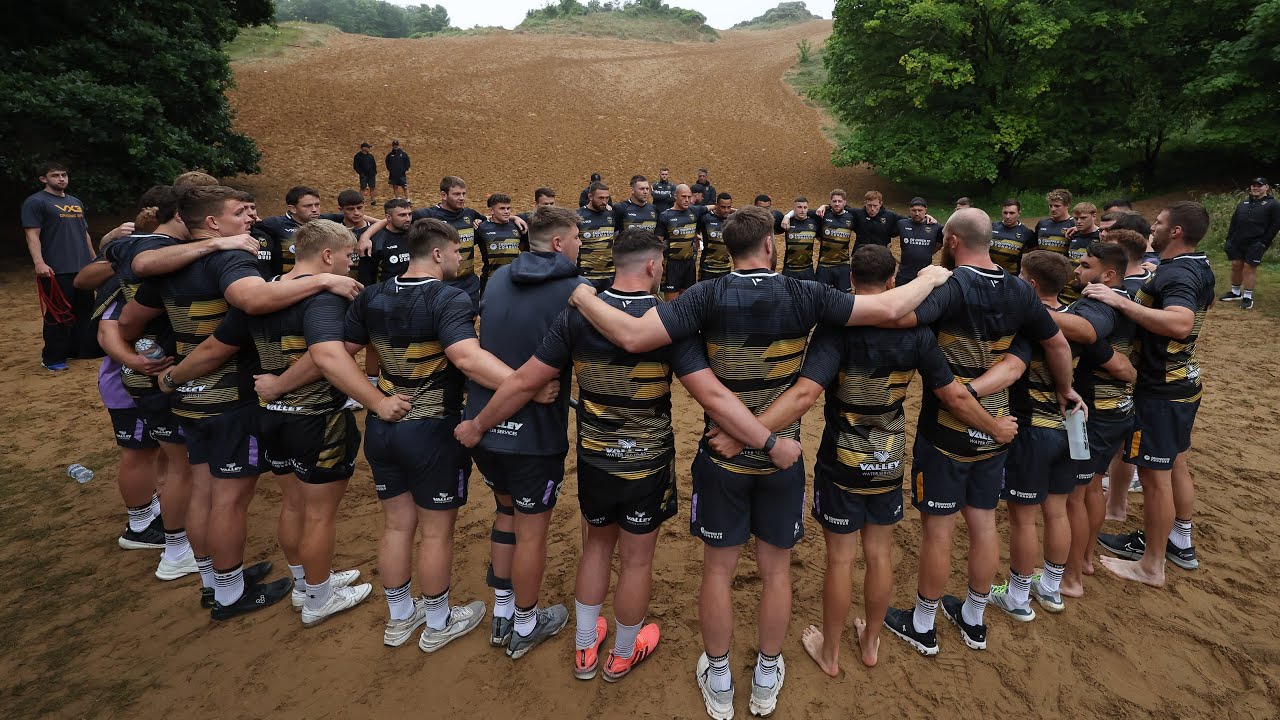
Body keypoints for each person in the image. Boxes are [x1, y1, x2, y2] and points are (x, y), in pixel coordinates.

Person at [565, 206, 952, 720]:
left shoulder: (704, 295)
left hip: (721, 456)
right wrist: (928, 274)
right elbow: (884, 310)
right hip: (782, 457)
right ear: (770, 244)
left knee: (718, 571)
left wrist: (583, 293)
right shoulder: (804, 292)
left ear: (726, 249)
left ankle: (719, 673)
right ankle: (768, 670)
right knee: (776, 573)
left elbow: (633, 336)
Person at [458, 229, 789, 683]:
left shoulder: (577, 315)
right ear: (654, 267)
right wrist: (761, 437)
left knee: (596, 546)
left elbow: (521, 382)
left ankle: (583, 652)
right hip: (647, 463)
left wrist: (478, 425)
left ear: (615, 261)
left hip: (596, 459)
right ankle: (622, 653)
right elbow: (710, 394)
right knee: (635, 561)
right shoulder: (667, 321)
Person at [705, 244, 1016, 676]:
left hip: (842, 462)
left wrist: (747, 435)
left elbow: (804, 394)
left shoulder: (837, 332)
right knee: (880, 555)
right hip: (888, 460)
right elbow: (953, 394)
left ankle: (830, 652)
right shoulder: (919, 334)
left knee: (840, 561)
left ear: (851, 282)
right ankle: (870, 642)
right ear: (892, 282)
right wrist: (993, 425)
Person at [118, 186, 362, 620]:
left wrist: (167, 373)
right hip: (234, 397)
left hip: (190, 398)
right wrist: (323, 281)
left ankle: (218, 581)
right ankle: (234, 593)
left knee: (200, 487)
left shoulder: (172, 262)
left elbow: (132, 320)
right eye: (241, 213)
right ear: (213, 223)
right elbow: (247, 310)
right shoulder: (230, 260)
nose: (251, 219)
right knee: (230, 497)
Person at [311, 218, 528, 650]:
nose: (459, 259)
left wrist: (371, 401)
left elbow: (331, 354)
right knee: (435, 532)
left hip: (383, 427)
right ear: (436, 253)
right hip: (430, 430)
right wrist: (524, 385)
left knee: (395, 526)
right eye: (456, 252)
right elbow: (467, 358)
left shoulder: (372, 295)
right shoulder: (447, 297)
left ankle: (399, 618)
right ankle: (438, 620)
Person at [880, 208, 1079, 656]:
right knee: (984, 522)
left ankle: (924, 623)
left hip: (946, 425)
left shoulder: (952, 286)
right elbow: (1057, 343)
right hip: (999, 425)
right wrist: (1065, 389)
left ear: (951, 241)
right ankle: (973, 617)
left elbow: (902, 318)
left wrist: (926, 281)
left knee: (939, 529)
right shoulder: (1020, 290)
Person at [459, 206, 590, 660]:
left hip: (486, 421)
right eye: (576, 238)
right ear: (558, 243)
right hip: (535, 434)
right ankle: (527, 623)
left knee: (505, 515)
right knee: (533, 532)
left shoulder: (495, 278)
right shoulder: (576, 289)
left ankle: (502, 612)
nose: (580, 245)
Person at [229, 220, 373, 626]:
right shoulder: (328, 297)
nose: (351, 266)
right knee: (319, 514)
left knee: (293, 504)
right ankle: (320, 598)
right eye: (348, 257)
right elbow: (326, 355)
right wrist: (279, 385)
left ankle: (306, 584)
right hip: (317, 419)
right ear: (328, 255)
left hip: (272, 419)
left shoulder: (267, 289)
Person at [1086, 202, 1216, 586]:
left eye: (1158, 223)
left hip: (1161, 390)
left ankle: (1152, 565)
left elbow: (1180, 322)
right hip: (1181, 381)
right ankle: (1179, 540)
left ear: (1175, 231)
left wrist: (1120, 300)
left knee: (1155, 475)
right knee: (1175, 464)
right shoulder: (1195, 265)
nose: (1152, 229)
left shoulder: (1178, 273)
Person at [986, 250, 1105, 622]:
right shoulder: (1074, 320)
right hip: (1069, 427)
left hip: (1032, 430)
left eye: (1020, 275)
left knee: (1022, 518)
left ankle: (1018, 596)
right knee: (1057, 511)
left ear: (1031, 284)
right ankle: (1051, 589)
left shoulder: (1029, 326)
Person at [1056, 242, 1137, 598]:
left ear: (1108, 275)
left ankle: (1071, 578)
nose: (1077, 270)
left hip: (1096, 412)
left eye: (1085, 265)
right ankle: (1086, 558)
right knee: (1092, 486)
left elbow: (1089, 333)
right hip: (1118, 409)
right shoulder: (1130, 298)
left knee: (1075, 495)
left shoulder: (1100, 304)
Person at [22, 162, 98, 370]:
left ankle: (78, 350)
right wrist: (39, 262)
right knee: (59, 314)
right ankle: (53, 358)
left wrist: (95, 261)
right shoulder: (36, 202)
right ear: (43, 179)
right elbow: (32, 235)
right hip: (56, 268)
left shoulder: (76, 202)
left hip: (82, 267)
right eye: (55, 175)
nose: (61, 179)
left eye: (64, 175)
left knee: (84, 312)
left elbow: (85, 234)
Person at [412, 176, 487, 309]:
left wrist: (514, 218)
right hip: (442, 284)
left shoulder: (470, 214)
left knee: (470, 320)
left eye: (464, 194)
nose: (462, 197)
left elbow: (493, 220)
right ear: (443, 195)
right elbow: (396, 221)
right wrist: (366, 235)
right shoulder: (427, 215)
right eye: (457, 194)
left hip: (469, 283)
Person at [1221, 177, 1280, 310]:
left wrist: (1264, 242)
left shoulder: (1273, 204)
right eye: (1253, 185)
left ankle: (1247, 296)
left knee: (1249, 267)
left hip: (1257, 242)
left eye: (1259, 185)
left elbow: (1276, 225)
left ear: (1266, 187)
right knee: (1236, 265)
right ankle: (1235, 292)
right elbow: (1234, 222)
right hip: (1237, 241)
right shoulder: (1244, 203)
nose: (1255, 188)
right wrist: (1229, 239)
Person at [256, 186, 324, 274]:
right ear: (293, 209)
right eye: (308, 206)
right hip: (285, 281)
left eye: (317, 204)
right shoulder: (274, 224)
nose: (315, 210)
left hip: (318, 279)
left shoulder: (325, 222)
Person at [656, 184, 705, 300]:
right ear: (675, 196)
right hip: (672, 264)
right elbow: (658, 243)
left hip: (689, 263)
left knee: (687, 301)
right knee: (672, 305)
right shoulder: (665, 216)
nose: (687, 200)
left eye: (689, 196)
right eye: (683, 196)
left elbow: (714, 207)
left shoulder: (693, 211)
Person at [576, 181, 618, 292]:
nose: (604, 202)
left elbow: (617, 240)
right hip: (586, 276)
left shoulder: (612, 215)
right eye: (600, 198)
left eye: (607, 198)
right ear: (590, 196)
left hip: (609, 275)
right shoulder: (578, 216)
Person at [894, 197, 943, 287]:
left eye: (920, 210)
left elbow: (940, 243)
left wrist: (927, 251)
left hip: (924, 274)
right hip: (904, 273)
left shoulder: (935, 227)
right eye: (914, 210)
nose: (917, 213)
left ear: (925, 210)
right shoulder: (902, 223)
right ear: (910, 210)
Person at [815, 189, 856, 291]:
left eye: (840, 201)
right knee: (821, 296)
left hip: (843, 265)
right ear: (830, 202)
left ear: (844, 202)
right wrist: (787, 217)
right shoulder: (823, 214)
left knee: (844, 297)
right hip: (824, 265)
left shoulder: (851, 217)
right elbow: (801, 212)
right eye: (834, 201)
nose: (837, 204)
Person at [1061, 202, 1101, 303]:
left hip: (1090, 291)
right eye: (1076, 218)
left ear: (1094, 216)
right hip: (1068, 289)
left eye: (1083, 218)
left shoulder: (1101, 236)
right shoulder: (1072, 234)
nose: (1079, 221)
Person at [990, 198, 1036, 275]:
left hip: (1012, 277)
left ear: (1019, 213)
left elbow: (1033, 249)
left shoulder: (1027, 233)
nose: (1008, 216)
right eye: (1005, 213)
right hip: (991, 273)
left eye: (1012, 213)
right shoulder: (991, 227)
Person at [698, 193, 735, 282]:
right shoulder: (706, 218)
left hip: (725, 267)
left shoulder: (732, 220)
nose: (726, 210)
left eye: (729, 207)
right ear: (716, 205)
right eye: (723, 207)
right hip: (707, 267)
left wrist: (733, 210)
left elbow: (746, 213)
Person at [783, 197, 819, 281]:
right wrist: (786, 216)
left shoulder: (814, 222)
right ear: (793, 209)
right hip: (790, 269)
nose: (802, 210)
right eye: (799, 207)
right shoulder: (787, 222)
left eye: (805, 207)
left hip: (808, 269)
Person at [1034, 189, 1075, 256]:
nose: (1053, 209)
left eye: (1057, 206)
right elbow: (1034, 247)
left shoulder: (1074, 225)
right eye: (1050, 206)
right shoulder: (1042, 223)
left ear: (1067, 205)